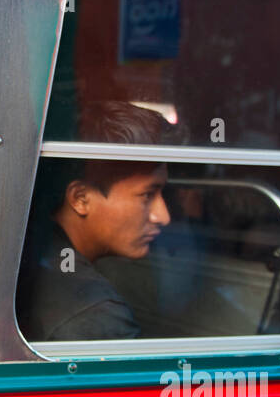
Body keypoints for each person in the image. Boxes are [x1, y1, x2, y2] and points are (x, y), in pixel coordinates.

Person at [17, 102, 177, 341]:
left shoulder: (31, 250)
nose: (163, 217)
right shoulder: (97, 316)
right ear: (81, 199)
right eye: (147, 195)